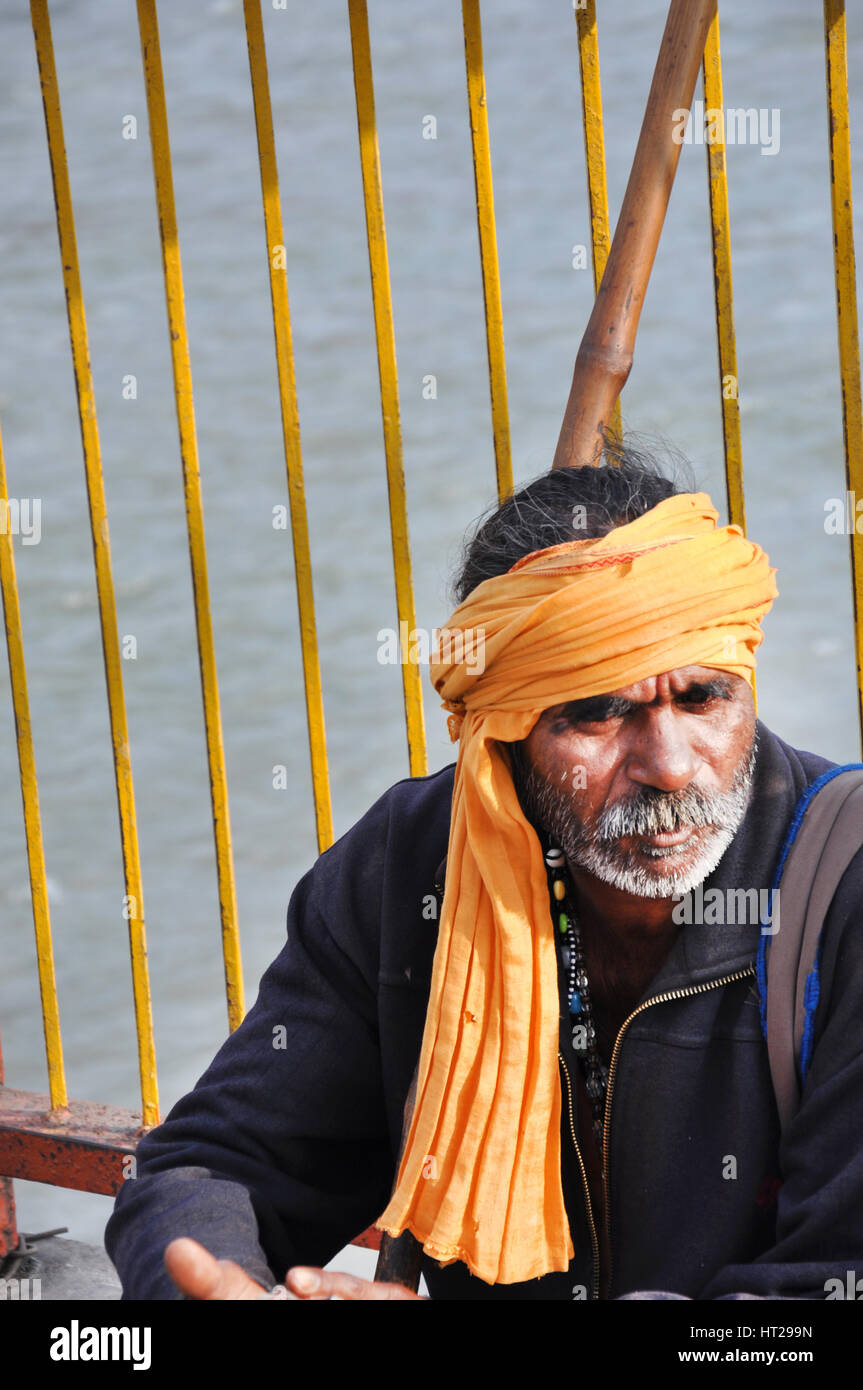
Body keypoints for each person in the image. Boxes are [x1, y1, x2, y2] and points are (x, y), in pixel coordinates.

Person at [105, 444, 863, 1301]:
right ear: (499, 735)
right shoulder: (410, 868)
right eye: (597, 714)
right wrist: (218, 1285)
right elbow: (211, 1165)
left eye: (702, 699)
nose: (670, 765)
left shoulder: (844, 879)